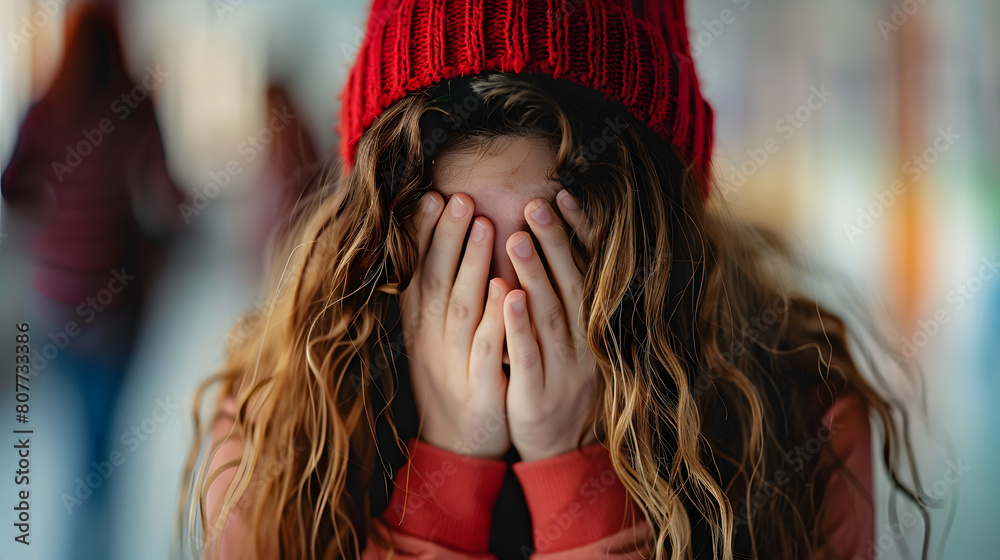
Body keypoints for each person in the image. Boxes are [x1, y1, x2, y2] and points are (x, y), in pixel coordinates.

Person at [179, 1, 928, 559]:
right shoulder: (269, 443)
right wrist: (446, 473)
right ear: (376, 238)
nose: (507, 319)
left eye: (559, 259)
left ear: (654, 248)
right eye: (456, 259)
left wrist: (578, 482)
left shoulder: (806, 427)